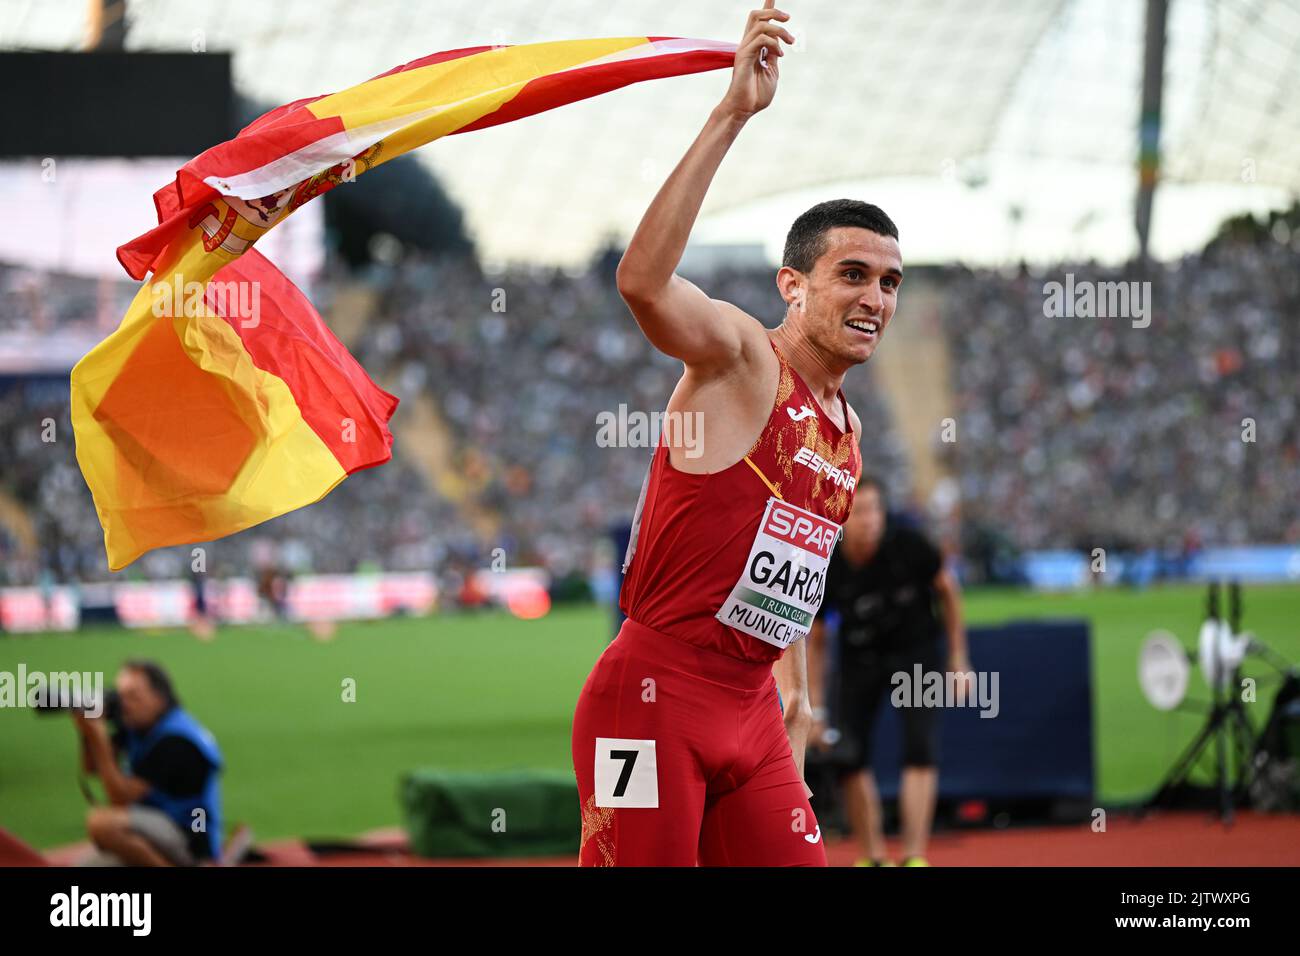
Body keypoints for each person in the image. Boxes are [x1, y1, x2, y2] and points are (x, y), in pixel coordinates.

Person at [571, 2, 904, 865]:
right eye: (853, 275)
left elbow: (785, 579)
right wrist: (731, 113)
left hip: (753, 711)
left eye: (892, 282)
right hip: (651, 699)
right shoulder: (742, 358)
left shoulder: (848, 427)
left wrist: (791, 693)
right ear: (792, 285)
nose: (876, 298)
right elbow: (643, 281)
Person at [809, 478, 971, 866]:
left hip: (916, 654)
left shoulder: (909, 546)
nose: (869, 521)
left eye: (875, 510)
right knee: (849, 756)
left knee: (920, 750)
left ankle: (914, 855)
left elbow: (948, 590)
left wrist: (959, 659)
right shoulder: (827, 563)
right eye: (859, 512)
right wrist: (814, 708)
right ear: (842, 518)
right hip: (859, 659)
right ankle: (873, 856)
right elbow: (814, 639)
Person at [72, 660, 223, 866]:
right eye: (120, 696)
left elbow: (119, 799)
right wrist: (87, 733)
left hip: (192, 835)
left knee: (101, 823)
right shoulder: (140, 725)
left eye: (133, 697)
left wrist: (99, 737)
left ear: (159, 698)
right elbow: (91, 768)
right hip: (155, 825)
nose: (123, 704)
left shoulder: (176, 741)